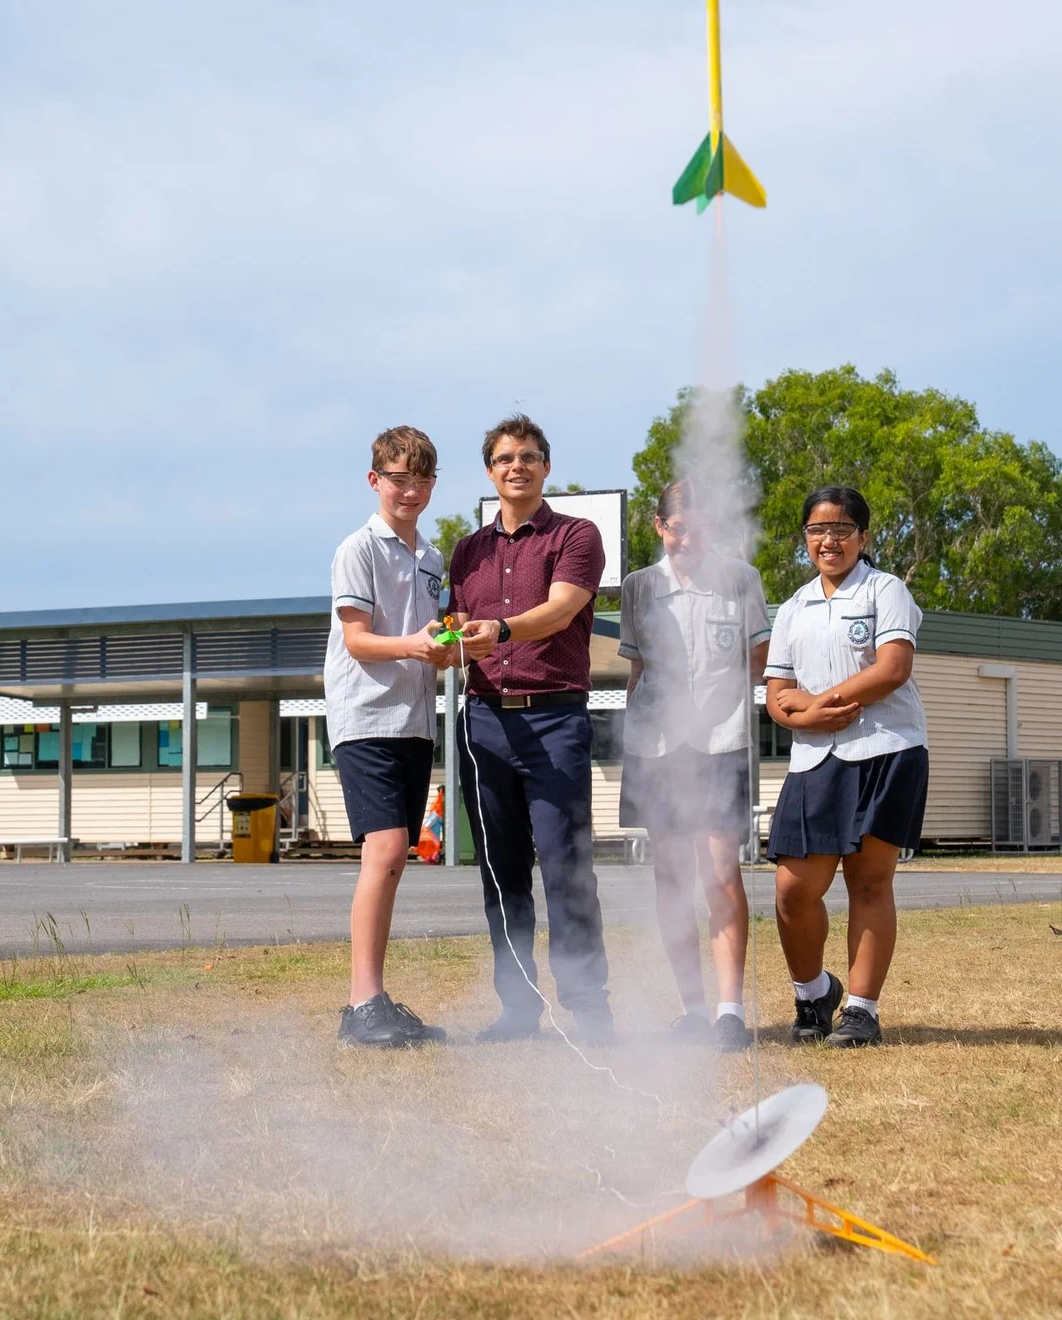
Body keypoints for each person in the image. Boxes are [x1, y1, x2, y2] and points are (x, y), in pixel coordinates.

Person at [450, 415, 614, 1043]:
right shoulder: (468, 551)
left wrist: (501, 630)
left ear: (547, 466)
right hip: (484, 723)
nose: (516, 466)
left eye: (528, 456)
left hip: (554, 721)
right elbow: (462, 633)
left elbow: (563, 609)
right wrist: (447, 647)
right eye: (503, 458)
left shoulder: (577, 535)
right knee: (501, 870)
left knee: (567, 867)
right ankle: (518, 1009)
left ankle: (589, 1009)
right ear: (489, 472)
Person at [763, 485, 927, 1049]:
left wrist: (818, 701)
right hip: (814, 759)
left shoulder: (887, 591)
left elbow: (893, 668)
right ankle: (813, 993)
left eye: (840, 529)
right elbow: (776, 693)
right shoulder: (791, 608)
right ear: (804, 538)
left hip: (886, 748)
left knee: (870, 880)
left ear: (864, 536)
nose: (827, 540)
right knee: (792, 890)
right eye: (816, 530)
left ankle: (862, 1010)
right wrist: (803, 717)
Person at [617, 479, 770, 1051]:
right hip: (655, 747)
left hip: (720, 744)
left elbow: (758, 659)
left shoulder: (740, 580)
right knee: (672, 879)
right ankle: (692, 1009)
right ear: (660, 527)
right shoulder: (639, 587)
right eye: (678, 529)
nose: (688, 540)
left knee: (721, 874)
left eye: (700, 529)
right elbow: (635, 669)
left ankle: (730, 1012)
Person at [326, 424, 459, 1048]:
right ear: (375, 480)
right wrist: (415, 645)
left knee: (396, 857)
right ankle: (361, 1005)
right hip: (364, 719)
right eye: (399, 479)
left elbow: (431, 635)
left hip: (412, 721)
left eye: (422, 479)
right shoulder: (358, 548)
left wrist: (450, 647)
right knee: (383, 852)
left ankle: (373, 998)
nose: (410, 490)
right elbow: (357, 639)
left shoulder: (431, 558)